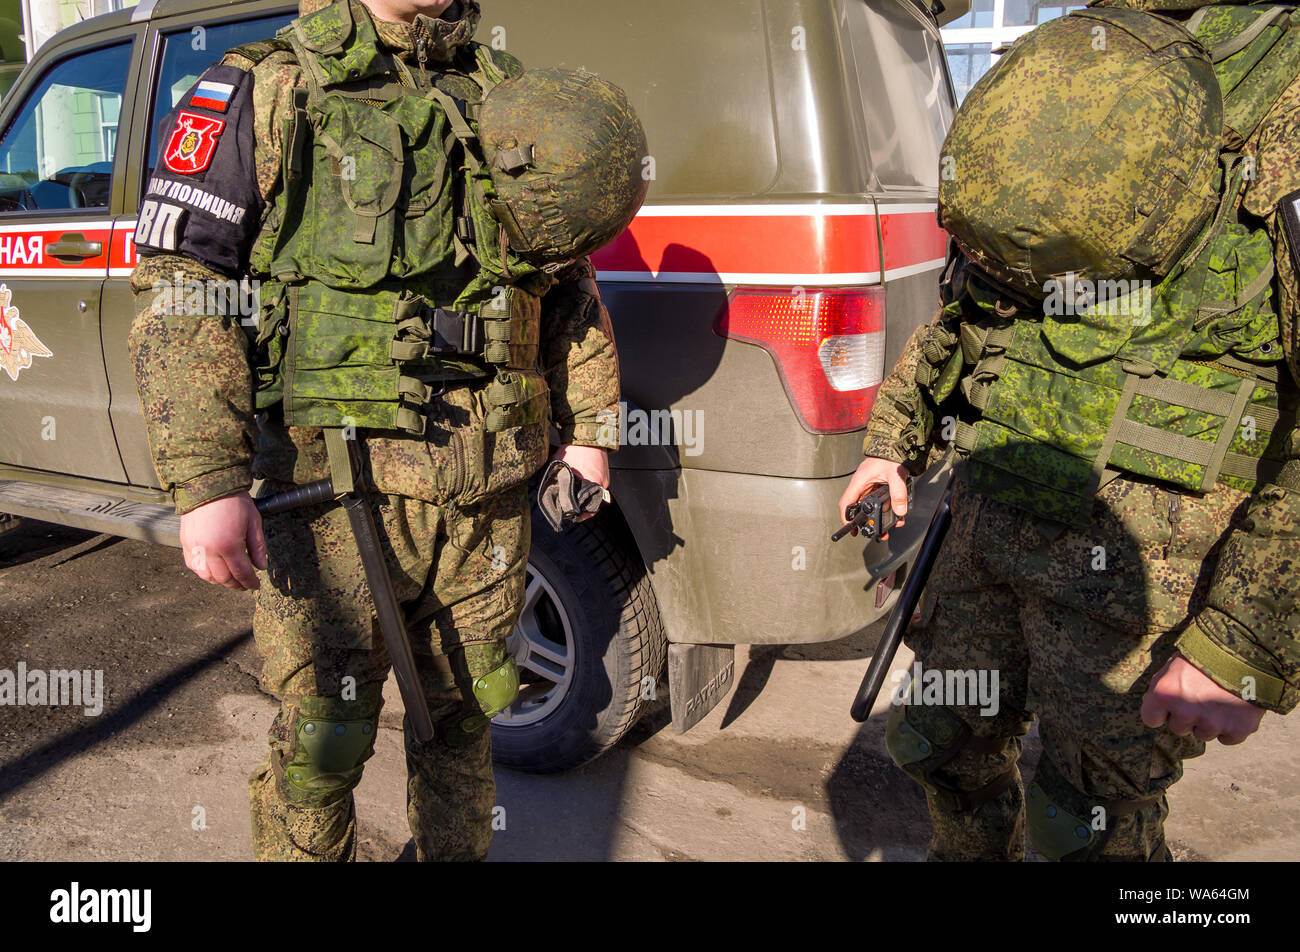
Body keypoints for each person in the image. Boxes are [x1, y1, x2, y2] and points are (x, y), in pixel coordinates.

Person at [129, 0, 633, 861]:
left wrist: (590, 422)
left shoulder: (504, 89)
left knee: (471, 710)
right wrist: (207, 480)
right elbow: (184, 280)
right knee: (325, 737)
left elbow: (564, 270)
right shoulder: (262, 83)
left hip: (487, 486)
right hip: (332, 491)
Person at [840, 0, 1299, 861]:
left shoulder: (1284, 92)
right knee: (938, 745)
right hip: (990, 513)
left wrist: (1245, 638)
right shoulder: (1065, 61)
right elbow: (970, 305)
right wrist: (891, 442)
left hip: (1148, 559)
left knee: (1084, 823)